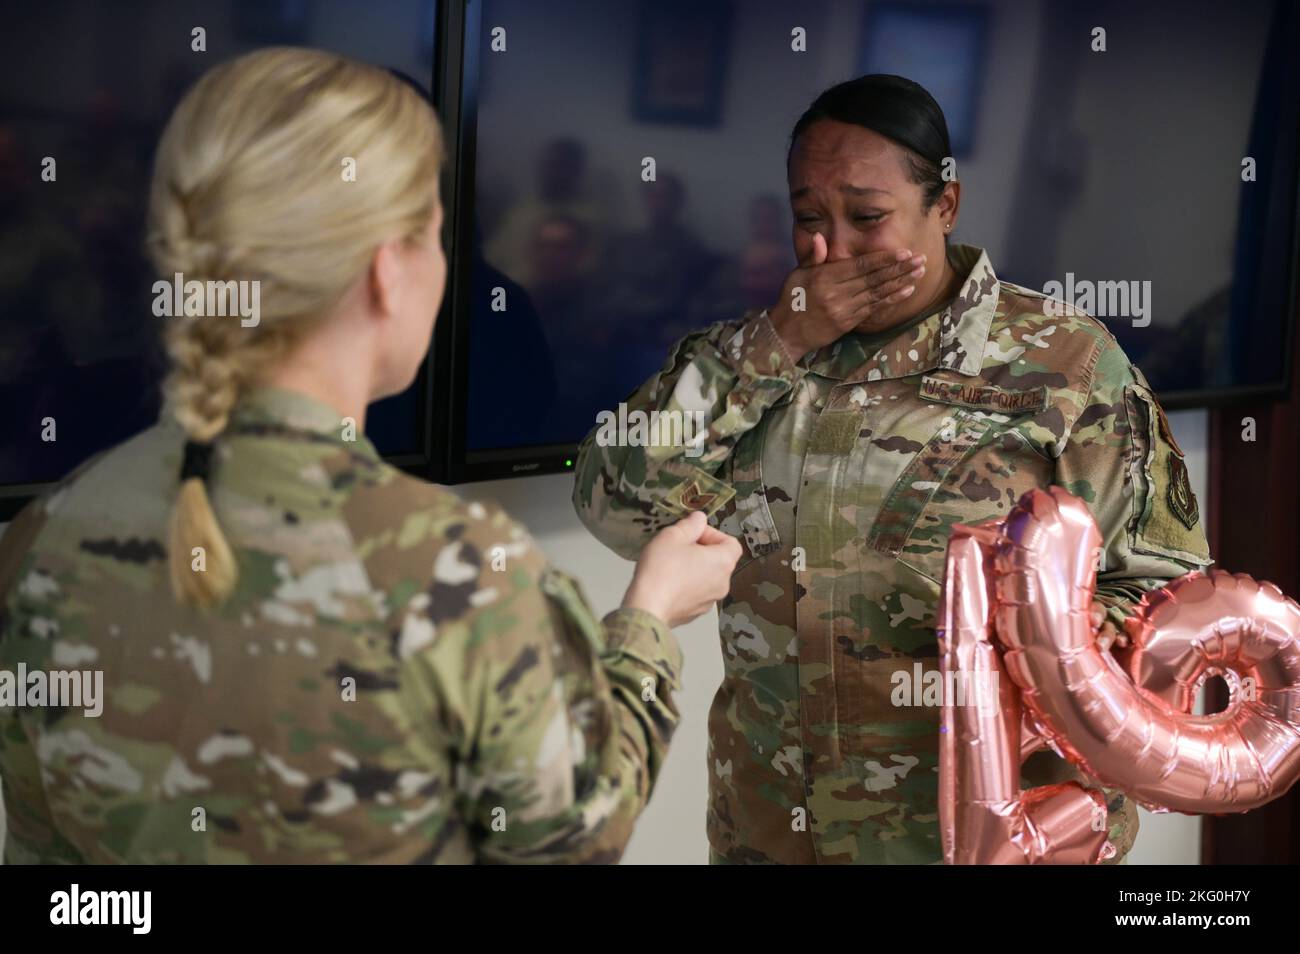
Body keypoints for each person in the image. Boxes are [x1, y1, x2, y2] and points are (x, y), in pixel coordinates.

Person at [0, 47, 740, 864]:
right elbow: (571, 838)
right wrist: (649, 620)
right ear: (390, 270)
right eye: (432, 232)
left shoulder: (40, 538)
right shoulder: (458, 572)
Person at [572, 74, 1213, 864]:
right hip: (773, 831)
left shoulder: (1065, 363)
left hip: (984, 838)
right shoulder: (750, 358)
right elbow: (615, 505)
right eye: (808, 219)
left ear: (945, 204)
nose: (830, 250)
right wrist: (775, 342)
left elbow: (1168, 598)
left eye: (867, 218)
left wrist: (1046, 641)